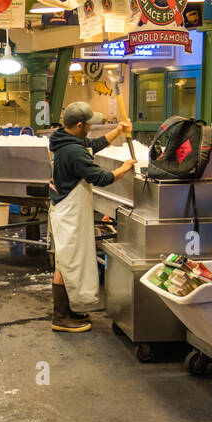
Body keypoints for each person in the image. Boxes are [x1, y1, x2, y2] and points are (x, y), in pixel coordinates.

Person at [49, 101, 134, 333]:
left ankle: (68, 310)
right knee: (66, 264)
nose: (91, 128)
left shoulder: (64, 139)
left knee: (66, 262)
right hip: (69, 214)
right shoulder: (74, 152)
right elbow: (102, 178)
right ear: (78, 125)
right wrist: (125, 168)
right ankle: (60, 317)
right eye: (88, 125)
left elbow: (92, 145)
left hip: (64, 210)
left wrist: (118, 131)